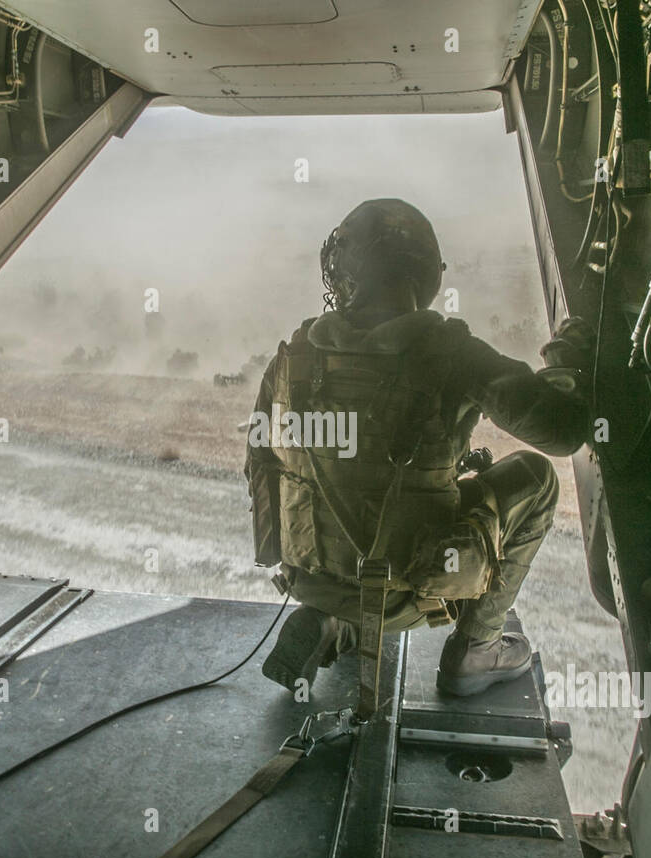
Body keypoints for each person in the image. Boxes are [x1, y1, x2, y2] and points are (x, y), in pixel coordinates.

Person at [245, 198, 593, 699]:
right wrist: (569, 356)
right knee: (535, 477)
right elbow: (561, 432)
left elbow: (261, 465)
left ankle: (332, 621)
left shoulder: (294, 356)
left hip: (310, 580)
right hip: (411, 593)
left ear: (344, 273)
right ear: (425, 274)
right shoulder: (448, 352)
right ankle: (478, 647)